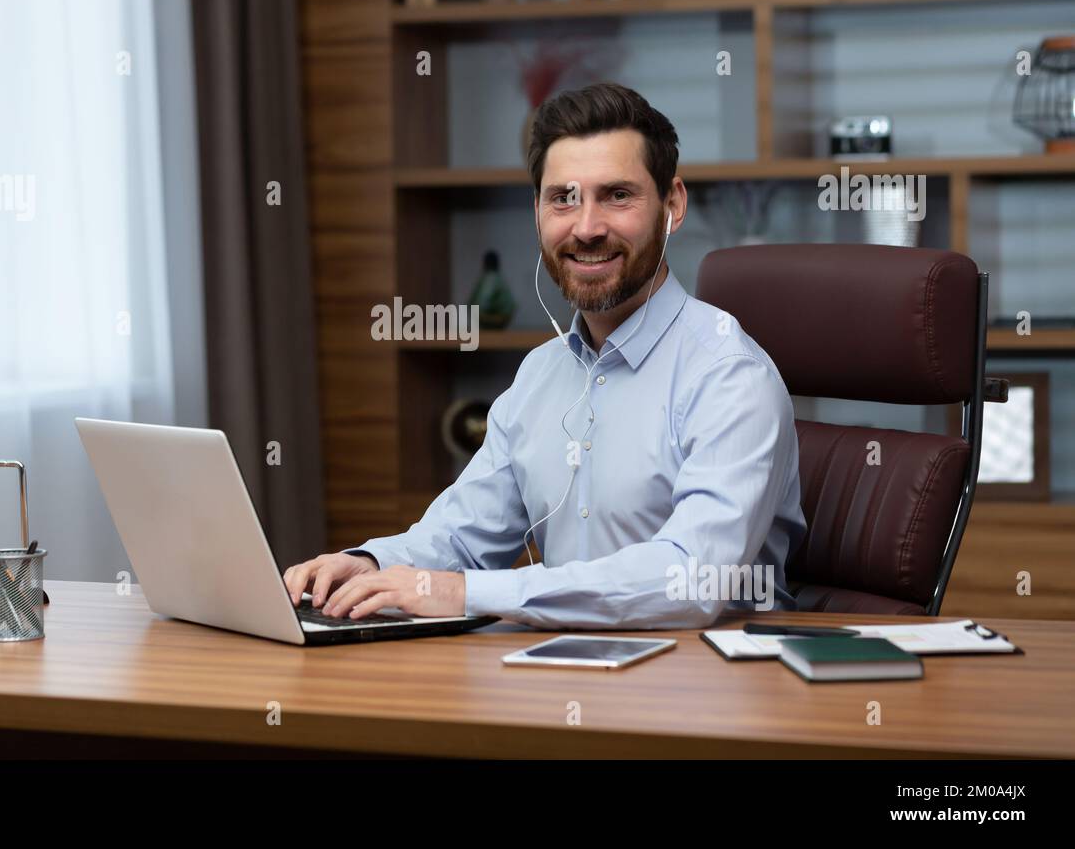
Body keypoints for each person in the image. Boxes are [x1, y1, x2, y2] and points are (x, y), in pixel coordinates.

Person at [284, 81, 806, 629]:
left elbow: (691, 580)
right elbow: (463, 535)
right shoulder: (541, 373)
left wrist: (465, 593)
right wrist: (367, 565)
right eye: (563, 199)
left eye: (617, 195)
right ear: (537, 211)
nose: (586, 228)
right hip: (563, 678)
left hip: (705, 692)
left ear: (672, 204)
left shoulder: (729, 375)